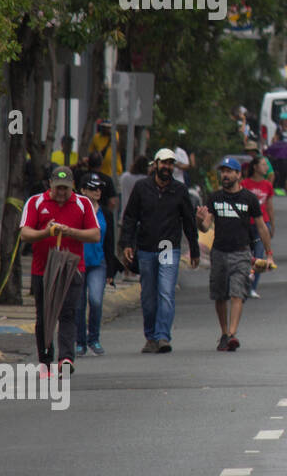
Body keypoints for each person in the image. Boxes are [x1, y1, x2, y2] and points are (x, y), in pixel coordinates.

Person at [19, 167, 102, 377]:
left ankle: (66, 358)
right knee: (45, 315)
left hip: (72, 268)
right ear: (50, 185)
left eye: (65, 189)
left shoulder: (83, 204)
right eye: (58, 188)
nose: (62, 193)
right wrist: (47, 232)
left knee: (69, 312)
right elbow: (25, 234)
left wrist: (70, 231)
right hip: (42, 269)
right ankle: (45, 360)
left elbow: (94, 235)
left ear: (72, 186)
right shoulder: (36, 202)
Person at [119, 150, 200, 354]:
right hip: (146, 248)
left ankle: (163, 336)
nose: (167, 167)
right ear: (155, 164)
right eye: (164, 163)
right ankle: (151, 337)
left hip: (168, 247)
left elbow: (189, 220)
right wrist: (126, 244)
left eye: (171, 164)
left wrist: (194, 248)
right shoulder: (142, 188)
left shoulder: (179, 190)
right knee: (148, 294)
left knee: (166, 291)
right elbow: (130, 217)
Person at [196, 157, 273, 352]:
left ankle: (232, 334)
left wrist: (269, 252)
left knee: (238, 292)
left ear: (238, 175)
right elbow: (205, 227)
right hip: (219, 252)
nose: (225, 175)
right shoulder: (215, 198)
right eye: (223, 171)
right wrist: (199, 220)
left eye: (230, 171)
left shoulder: (249, 199)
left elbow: (261, 226)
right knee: (220, 295)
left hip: (241, 252)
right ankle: (223, 332)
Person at [73, 173, 110, 357]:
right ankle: (80, 342)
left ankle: (93, 338)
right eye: (93, 188)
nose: (97, 191)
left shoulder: (105, 213)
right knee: (78, 304)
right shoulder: (76, 210)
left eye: (99, 188)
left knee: (95, 300)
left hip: (98, 263)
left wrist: (111, 268)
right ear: (83, 190)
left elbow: (109, 242)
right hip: (78, 262)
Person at [241, 156, 275, 298]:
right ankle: (243, 284)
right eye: (263, 165)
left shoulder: (267, 185)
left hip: (262, 223)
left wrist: (272, 224)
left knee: (259, 256)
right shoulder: (244, 183)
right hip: (246, 224)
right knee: (245, 256)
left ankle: (253, 287)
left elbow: (269, 206)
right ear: (255, 167)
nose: (266, 168)